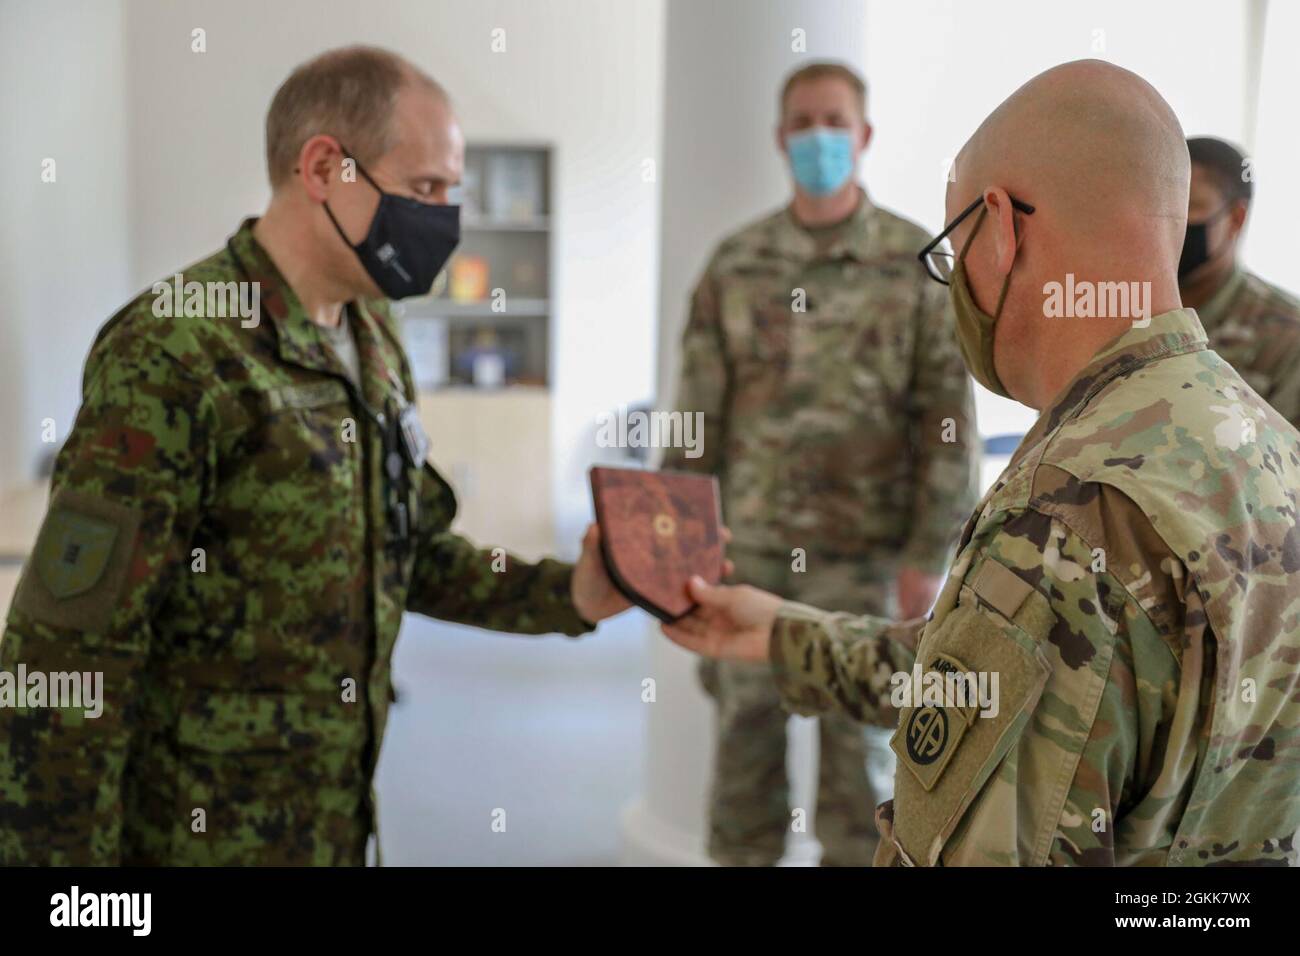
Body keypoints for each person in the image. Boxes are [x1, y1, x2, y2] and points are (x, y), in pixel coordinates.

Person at [0, 45, 632, 866]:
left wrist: (567, 595)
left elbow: (404, 553)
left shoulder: (372, 336)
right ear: (325, 168)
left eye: (453, 192)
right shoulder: (177, 352)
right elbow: (65, 660)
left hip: (334, 823)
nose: (445, 218)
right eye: (426, 188)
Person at [663, 59, 1300, 866]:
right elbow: (998, 681)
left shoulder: (1064, 515)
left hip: (864, 552)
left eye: (955, 250)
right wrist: (787, 636)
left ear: (999, 229)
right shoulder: (1267, 443)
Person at [662, 61, 978, 867]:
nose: (818, 138)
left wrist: (927, 554)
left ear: (864, 135)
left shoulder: (914, 264)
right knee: (743, 758)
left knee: (861, 774)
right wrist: (675, 547)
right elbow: (695, 419)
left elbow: (946, 423)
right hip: (748, 552)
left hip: (866, 564)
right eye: (802, 123)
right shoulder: (736, 264)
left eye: (834, 121)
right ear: (780, 138)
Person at [1179, 135, 1300, 428]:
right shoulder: (1124, 310)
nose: (1171, 221)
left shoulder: (1288, 336)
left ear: (1235, 217)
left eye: (1188, 206)